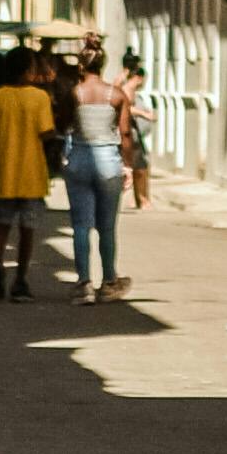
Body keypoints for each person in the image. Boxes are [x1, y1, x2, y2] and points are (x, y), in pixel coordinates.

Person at [0, 47, 57, 298]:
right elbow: (47, 132)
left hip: (6, 171)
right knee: (27, 229)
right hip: (32, 174)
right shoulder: (39, 98)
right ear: (29, 70)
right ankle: (20, 280)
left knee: (2, 224)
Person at [64, 47, 129, 302]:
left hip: (80, 157)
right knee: (107, 226)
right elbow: (125, 134)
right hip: (108, 161)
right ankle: (109, 280)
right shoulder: (117, 95)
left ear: (81, 65)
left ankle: (83, 283)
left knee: (81, 225)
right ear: (103, 64)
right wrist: (128, 165)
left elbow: (64, 123)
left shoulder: (75, 94)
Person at [119, 51, 152, 211]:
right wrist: (144, 113)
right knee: (137, 167)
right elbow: (125, 108)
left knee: (140, 166)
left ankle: (141, 199)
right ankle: (142, 200)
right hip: (128, 134)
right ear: (138, 77)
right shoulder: (126, 89)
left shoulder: (129, 88)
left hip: (133, 134)